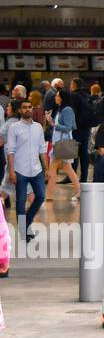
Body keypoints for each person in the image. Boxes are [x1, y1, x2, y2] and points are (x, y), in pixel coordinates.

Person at [5, 101, 47, 242]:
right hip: (20, 170)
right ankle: (24, 231)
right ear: (19, 110)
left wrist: (46, 169)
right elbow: (10, 151)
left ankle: (27, 221)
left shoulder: (38, 127)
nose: (28, 109)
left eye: (30, 107)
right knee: (21, 201)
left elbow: (42, 150)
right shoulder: (14, 128)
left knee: (40, 196)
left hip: (36, 169)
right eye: (24, 107)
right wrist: (11, 171)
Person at [48, 89, 81, 193]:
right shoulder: (61, 109)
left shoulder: (67, 110)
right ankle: (79, 191)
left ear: (62, 97)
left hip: (62, 143)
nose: (55, 97)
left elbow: (68, 128)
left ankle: (49, 195)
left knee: (53, 169)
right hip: (60, 142)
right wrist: (51, 121)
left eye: (57, 96)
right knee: (67, 168)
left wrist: (54, 124)